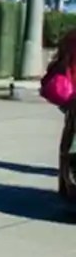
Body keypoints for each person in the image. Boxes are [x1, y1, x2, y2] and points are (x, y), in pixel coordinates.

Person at [54, 30, 76, 201]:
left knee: (69, 142)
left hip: (72, 101)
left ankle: (68, 190)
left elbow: (58, 65)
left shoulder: (70, 37)